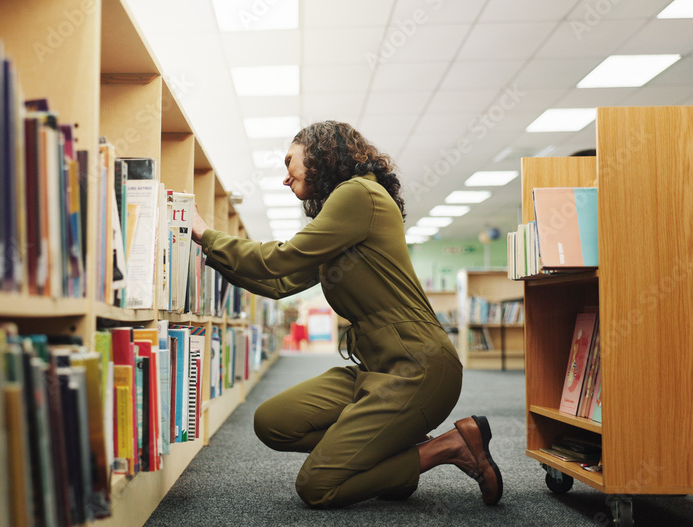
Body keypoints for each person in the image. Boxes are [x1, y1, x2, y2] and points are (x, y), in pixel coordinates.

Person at [190, 121, 502, 509]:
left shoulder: (358, 194)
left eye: (291, 162)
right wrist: (206, 251)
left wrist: (207, 234)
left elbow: (279, 259)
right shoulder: (344, 218)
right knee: (273, 421)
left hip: (416, 368)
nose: (285, 178)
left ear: (320, 153)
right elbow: (279, 282)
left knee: (317, 487)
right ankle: (390, 454)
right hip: (373, 368)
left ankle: (447, 447)